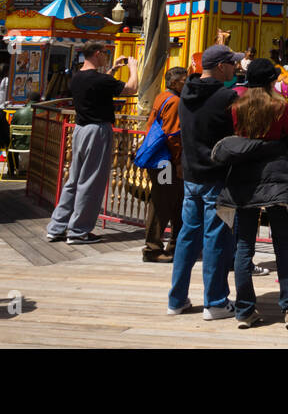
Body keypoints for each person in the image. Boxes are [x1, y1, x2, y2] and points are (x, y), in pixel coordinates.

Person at [213, 88, 288, 329]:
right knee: (282, 244)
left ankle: (245, 310)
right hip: (275, 174)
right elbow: (287, 135)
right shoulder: (280, 107)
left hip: (245, 176)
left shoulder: (237, 109)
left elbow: (239, 137)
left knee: (244, 246)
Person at [168, 44, 240, 320]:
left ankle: (176, 299)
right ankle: (215, 301)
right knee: (217, 238)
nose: (235, 68)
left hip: (192, 176)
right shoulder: (227, 97)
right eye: (232, 63)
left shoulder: (186, 92)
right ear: (222, 66)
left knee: (187, 236)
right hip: (217, 178)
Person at [45, 43, 138, 244]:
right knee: (92, 181)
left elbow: (101, 83)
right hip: (97, 131)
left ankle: (57, 226)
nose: (106, 57)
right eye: (105, 54)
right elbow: (131, 89)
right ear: (97, 54)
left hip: (79, 130)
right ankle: (78, 231)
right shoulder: (99, 79)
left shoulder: (77, 77)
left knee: (73, 180)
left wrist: (113, 69)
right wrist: (133, 68)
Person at [142, 67, 188, 263]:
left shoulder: (163, 97)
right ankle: (152, 248)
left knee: (175, 200)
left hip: (161, 159)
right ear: (174, 83)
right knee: (163, 202)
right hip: (166, 162)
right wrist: (178, 162)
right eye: (184, 81)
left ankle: (175, 245)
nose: (186, 84)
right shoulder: (175, 101)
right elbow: (173, 135)